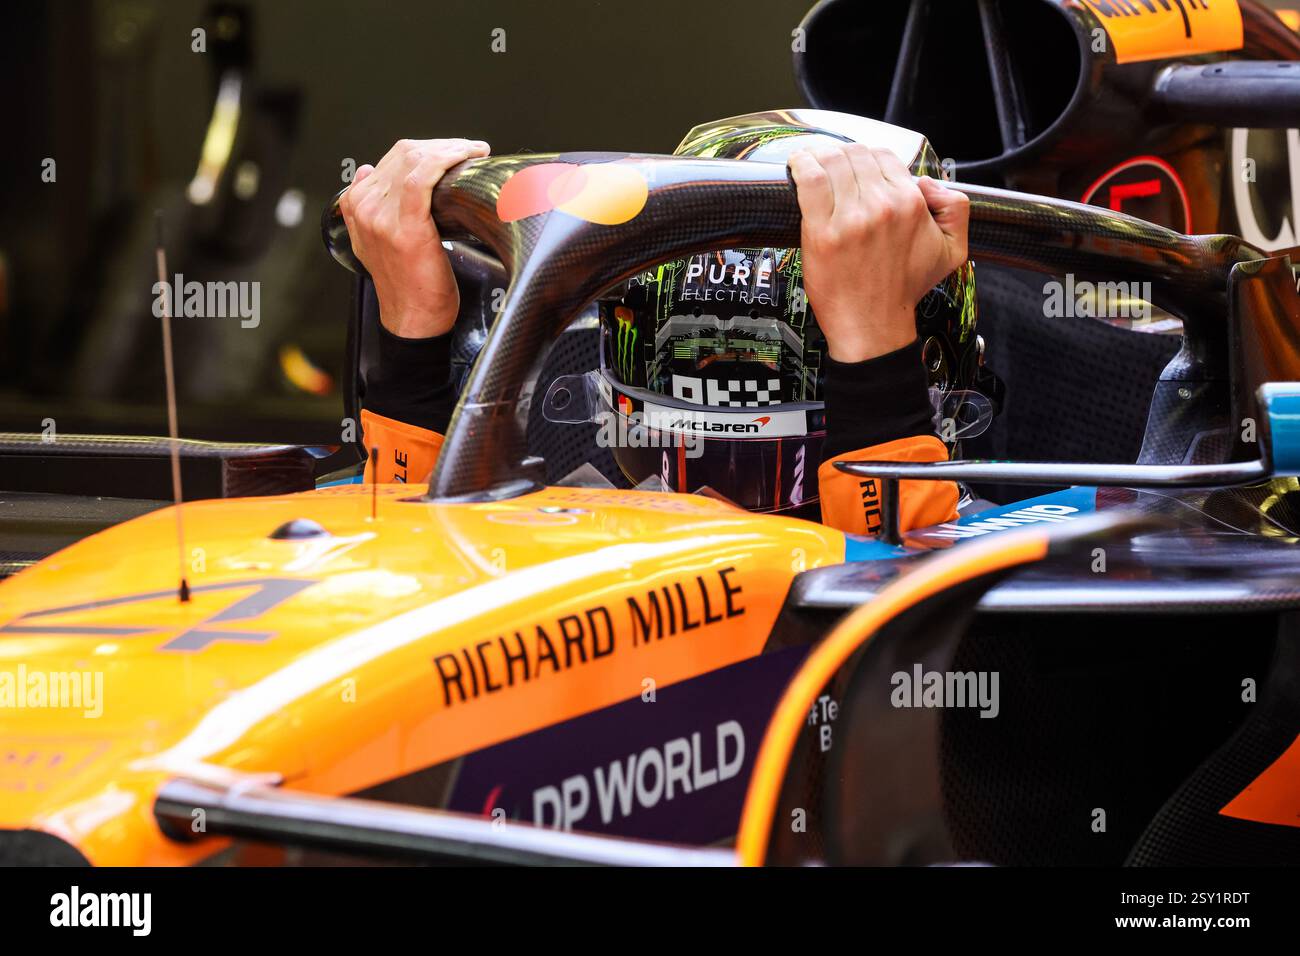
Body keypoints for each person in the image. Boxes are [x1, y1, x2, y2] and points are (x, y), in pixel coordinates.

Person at [338, 134, 971, 537]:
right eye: (695, 443)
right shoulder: (552, 538)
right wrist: (412, 337)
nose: (723, 497)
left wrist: (873, 349)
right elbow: (408, 569)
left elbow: (901, 628)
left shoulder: (1022, 571)